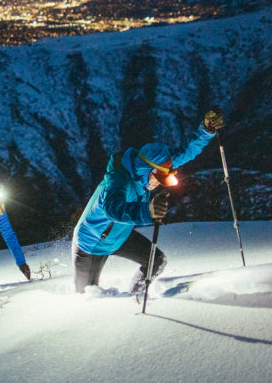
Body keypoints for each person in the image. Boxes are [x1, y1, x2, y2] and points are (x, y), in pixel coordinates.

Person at [72, 108, 224, 294]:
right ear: (147, 171)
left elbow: (185, 152)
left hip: (119, 236)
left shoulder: (153, 166)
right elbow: (113, 209)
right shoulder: (118, 180)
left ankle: (135, 295)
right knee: (88, 297)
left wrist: (206, 130)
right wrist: (148, 211)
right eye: (158, 179)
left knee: (156, 262)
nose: (159, 184)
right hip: (92, 244)